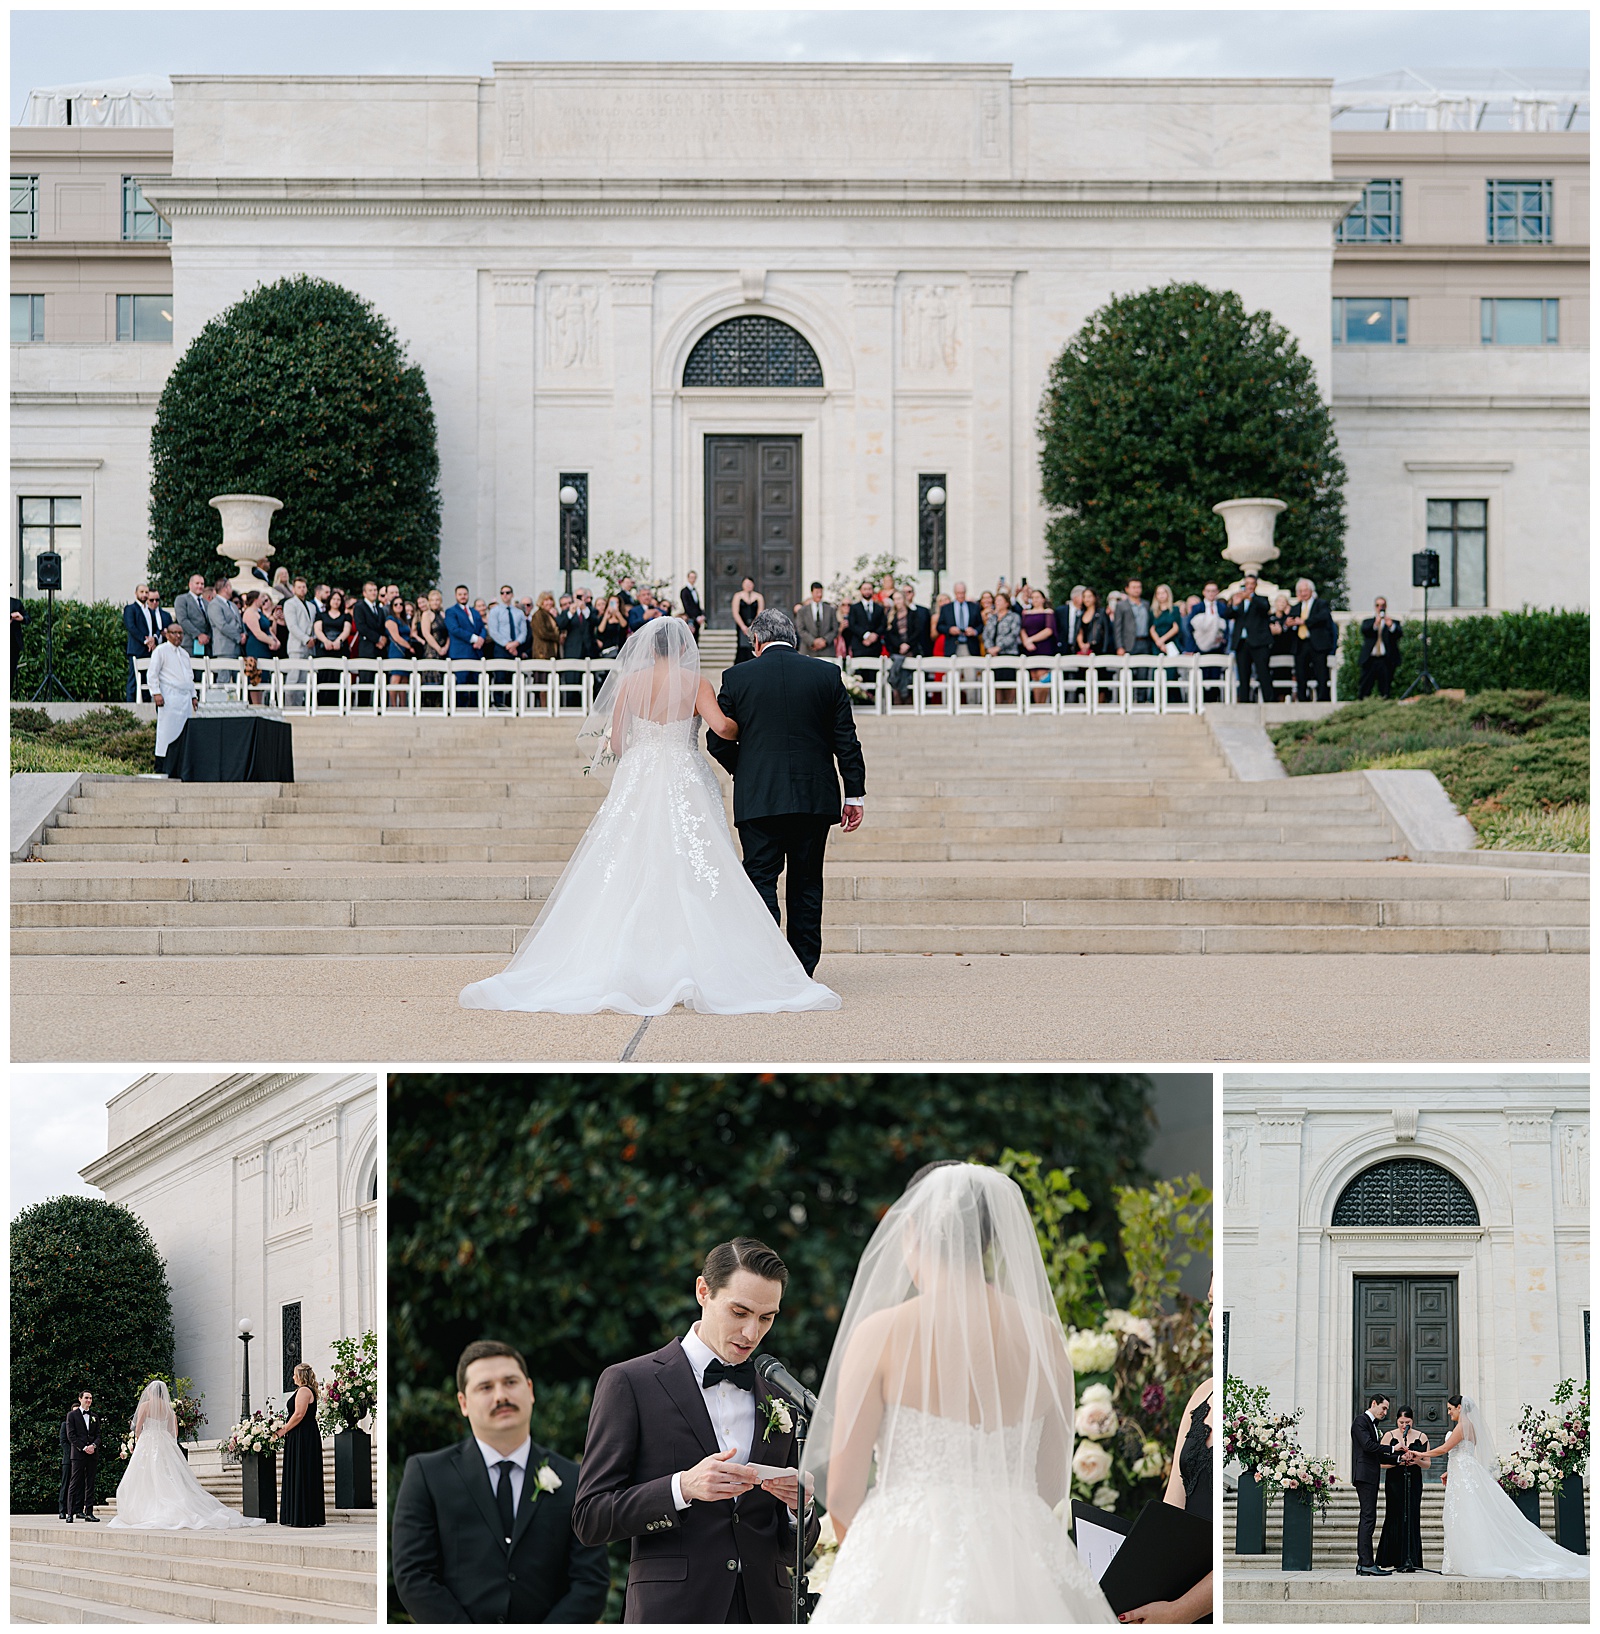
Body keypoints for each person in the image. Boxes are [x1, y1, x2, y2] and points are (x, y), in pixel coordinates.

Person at [461, 616, 842, 1013]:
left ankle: (630, 962)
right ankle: (716, 960)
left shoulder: (629, 682)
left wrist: (644, 751)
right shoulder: (697, 683)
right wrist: (747, 724)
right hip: (684, 774)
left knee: (633, 863)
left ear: (648, 647)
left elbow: (619, 742)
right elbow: (724, 729)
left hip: (640, 775)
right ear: (681, 648)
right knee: (694, 866)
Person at [804, 1163, 1116, 1623]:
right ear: (991, 1238)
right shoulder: (1045, 1338)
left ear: (911, 1228)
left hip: (904, 1557)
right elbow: (1050, 1484)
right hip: (1021, 1566)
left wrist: (877, 1569)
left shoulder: (882, 1333)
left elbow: (845, 1491)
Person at [573, 1239, 820, 1622]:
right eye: (740, 1312)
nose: (752, 1333)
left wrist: (797, 1511)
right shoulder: (629, 1382)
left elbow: (788, 1551)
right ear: (703, 1291)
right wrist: (682, 1488)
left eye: (767, 1318)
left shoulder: (778, 1396)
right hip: (672, 1614)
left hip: (765, 1614)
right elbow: (590, 1518)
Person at [393, 1340, 608, 1623]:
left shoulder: (575, 1478)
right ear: (463, 1403)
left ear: (530, 1390)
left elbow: (591, 1582)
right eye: (485, 1387)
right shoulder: (426, 1473)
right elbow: (414, 1575)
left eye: (510, 1382)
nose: (500, 1396)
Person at [705, 609, 867, 983]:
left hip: (759, 797)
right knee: (807, 882)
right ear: (793, 639)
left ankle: (765, 967)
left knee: (760, 878)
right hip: (814, 797)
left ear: (756, 642)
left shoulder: (737, 676)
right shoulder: (826, 673)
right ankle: (802, 971)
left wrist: (745, 771)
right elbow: (847, 741)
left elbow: (717, 740)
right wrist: (854, 795)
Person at [1405, 1395, 1588, 1580]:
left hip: (1464, 1475)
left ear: (1459, 1407)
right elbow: (1461, 1453)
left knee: (1468, 1514)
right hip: (1462, 1472)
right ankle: (1466, 1558)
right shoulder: (1469, 1426)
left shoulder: (1463, 1426)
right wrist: (1449, 1471)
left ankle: (1474, 1559)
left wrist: (1420, 1454)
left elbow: (1445, 1449)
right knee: (1466, 1514)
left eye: (1451, 1408)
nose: (1448, 1412)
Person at [1118, 1283, 1214, 1623]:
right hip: (1177, 1587)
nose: (1214, 1317)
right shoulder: (1203, 1393)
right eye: (1212, 1303)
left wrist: (1179, 1612)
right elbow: (1172, 1507)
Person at [109, 1380, 266, 1531]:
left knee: (147, 1476)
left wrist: (139, 1442)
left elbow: (138, 1429)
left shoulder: (145, 1406)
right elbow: (174, 1433)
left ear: (150, 1392)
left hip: (148, 1442)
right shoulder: (169, 1410)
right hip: (164, 1444)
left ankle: (146, 1509)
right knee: (167, 1475)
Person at [1352, 1393, 1408, 1574]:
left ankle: (1364, 1563)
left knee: (1369, 1518)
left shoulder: (1373, 1425)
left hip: (1371, 1476)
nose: (1385, 1412)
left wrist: (1398, 1458)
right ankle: (1366, 1563)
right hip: (1365, 1476)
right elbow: (1369, 1446)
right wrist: (1393, 1448)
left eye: (1386, 1410)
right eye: (1383, 1408)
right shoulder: (1361, 1421)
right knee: (1368, 1518)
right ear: (1373, 1403)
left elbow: (1376, 1454)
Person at [1375, 1406, 1430, 1571]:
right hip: (1395, 1481)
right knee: (1394, 1515)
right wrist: (1398, 1460)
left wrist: (1416, 1460)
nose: (1404, 1425)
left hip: (1413, 1480)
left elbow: (1427, 1464)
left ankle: (1410, 1559)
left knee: (1412, 1515)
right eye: (1401, 1422)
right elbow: (1381, 1462)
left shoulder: (1421, 1437)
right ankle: (1391, 1557)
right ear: (1396, 1420)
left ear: (1412, 1421)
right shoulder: (1388, 1436)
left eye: (1408, 1422)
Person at [274, 1363, 326, 1527]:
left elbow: (299, 1414)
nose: (292, 1377)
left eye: (295, 1374)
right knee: (300, 1471)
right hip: (299, 1435)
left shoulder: (304, 1391)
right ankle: (299, 1515)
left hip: (303, 1435)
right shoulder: (301, 1390)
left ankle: (304, 1516)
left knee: (302, 1471)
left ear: (301, 1376)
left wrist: (282, 1430)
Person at [148, 621, 198, 772]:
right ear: (167, 634)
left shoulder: (184, 654)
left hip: (184, 698)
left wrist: (193, 696)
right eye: (174, 633)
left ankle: (180, 766)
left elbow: (189, 677)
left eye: (180, 633)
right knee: (166, 733)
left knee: (183, 733)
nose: (178, 636)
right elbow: (152, 673)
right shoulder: (161, 651)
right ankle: (162, 767)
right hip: (169, 696)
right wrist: (156, 693)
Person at [1225, 575, 1276, 704]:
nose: (1249, 586)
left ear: (1255, 585)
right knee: (1243, 674)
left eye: (1252, 583)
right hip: (1242, 643)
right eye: (1247, 583)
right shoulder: (1239, 601)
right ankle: (1244, 701)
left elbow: (1265, 608)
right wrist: (1234, 605)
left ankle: (1269, 701)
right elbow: (1228, 614)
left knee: (1263, 672)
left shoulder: (1261, 599)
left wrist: (1250, 598)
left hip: (1259, 643)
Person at [1286, 577, 1338, 702]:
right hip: (1300, 644)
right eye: (1300, 591)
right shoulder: (1296, 607)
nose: (1303, 593)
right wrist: (1288, 623)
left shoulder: (1321, 604)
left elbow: (1323, 617)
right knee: (1301, 673)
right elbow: (1289, 621)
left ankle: (1323, 698)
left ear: (1311, 591)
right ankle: (1303, 699)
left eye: (1305, 590)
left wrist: (1304, 621)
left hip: (1317, 644)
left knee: (1321, 672)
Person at [444, 584, 487, 708]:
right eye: (460, 594)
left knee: (476, 684)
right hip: (460, 653)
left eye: (465, 594)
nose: (463, 597)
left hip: (476, 653)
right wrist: (474, 639)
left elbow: (482, 628)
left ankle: (476, 709)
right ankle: (460, 710)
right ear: (456, 596)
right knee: (461, 685)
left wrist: (481, 639)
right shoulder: (451, 611)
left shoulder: (474, 612)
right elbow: (454, 629)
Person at [487, 584, 528, 711]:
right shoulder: (495, 611)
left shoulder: (519, 613)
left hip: (515, 647)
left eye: (508, 592)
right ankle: (499, 703)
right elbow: (493, 631)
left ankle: (512, 703)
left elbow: (523, 632)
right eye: (502, 593)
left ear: (512, 594)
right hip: (501, 647)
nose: (505, 595)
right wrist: (507, 644)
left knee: (513, 676)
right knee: (500, 676)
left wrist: (515, 643)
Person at [64, 1390, 102, 1523]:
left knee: (90, 1483)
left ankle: (89, 1513)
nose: (89, 1400)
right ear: (80, 1399)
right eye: (86, 1398)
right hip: (79, 1454)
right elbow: (71, 1435)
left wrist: (93, 1446)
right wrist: (84, 1447)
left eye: (91, 1398)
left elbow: (98, 1435)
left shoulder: (95, 1417)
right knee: (74, 1483)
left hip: (92, 1454)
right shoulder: (72, 1415)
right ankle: (70, 1513)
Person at [123, 585, 165, 701]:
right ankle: (130, 705)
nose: (144, 594)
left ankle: (146, 702)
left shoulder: (150, 611)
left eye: (146, 592)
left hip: (150, 650)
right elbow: (131, 627)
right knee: (134, 679)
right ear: (136, 593)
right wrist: (146, 640)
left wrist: (154, 639)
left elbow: (157, 628)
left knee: (149, 678)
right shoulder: (130, 609)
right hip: (136, 649)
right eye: (141, 592)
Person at [313, 589, 352, 709]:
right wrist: (325, 641)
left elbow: (346, 630)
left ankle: (339, 704)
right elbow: (318, 629)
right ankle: (322, 704)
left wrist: (338, 641)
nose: (336, 602)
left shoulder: (346, 616)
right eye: (334, 599)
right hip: (324, 649)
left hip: (340, 649)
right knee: (324, 676)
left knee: (338, 676)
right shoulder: (321, 615)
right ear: (329, 601)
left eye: (338, 600)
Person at [1019, 587, 1058, 705]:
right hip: (1030, 648)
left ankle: (1042, 704)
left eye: (1037, 597)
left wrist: (1031, 639)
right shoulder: (1026, 613)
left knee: (1043, 677)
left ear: (1043, 599)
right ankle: (1035, 704)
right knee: (1034, 676)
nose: (1035, 600)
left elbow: (1049, 630)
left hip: (1043, 647)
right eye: (1033, 598)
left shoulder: (1048, 612)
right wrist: (1026, 641)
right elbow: (1022, 629)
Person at [241, 589, 280, 704]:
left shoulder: (259, 612)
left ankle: (261, 703)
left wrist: (276, 641)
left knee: (263, 675)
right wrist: (271, 642)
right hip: (255, 646)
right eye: (262, 597)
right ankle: (256, 704)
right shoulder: (249, 613)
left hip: (264, 647)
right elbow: (257, 632)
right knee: (255, 674)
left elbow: (267, 629)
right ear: (256, 599)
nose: (263, 600)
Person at [1359, 598, 1403, 698]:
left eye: (1383, 605)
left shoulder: (1392, 622)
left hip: (1385, 660)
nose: (1380, 608)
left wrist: (1391, 625)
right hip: (1370, 659)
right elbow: (1365, 632)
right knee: (1365, 686)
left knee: (1385, 687)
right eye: (1378, 605)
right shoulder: (1368, 622)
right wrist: (1376, 624)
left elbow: (1399, 634)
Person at [984, 591, 1022, 705]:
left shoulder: (1013, 617)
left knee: (1009, 681)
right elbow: (986, 634)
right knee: (996, 681)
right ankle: (998, 705)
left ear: (1007, 603)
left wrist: (998, 647)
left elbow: (1013, 634)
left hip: (1009, 653)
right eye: (996, 601)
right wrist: (990, 648)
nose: (997, 603)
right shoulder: (992, 618)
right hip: (994, 655)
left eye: (1000, 601)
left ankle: (1009, 705)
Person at [283, 577, 315, 708]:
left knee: (303, 679)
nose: (302, 589)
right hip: (296, 645)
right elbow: (292, 626)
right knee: (293, 677)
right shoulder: (290, 604)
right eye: (299, 587)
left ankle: (299, 706)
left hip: (310, 646)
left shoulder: (312, 606)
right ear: (293, 589)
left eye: (304, 587)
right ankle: (290, 706)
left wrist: (312, 639)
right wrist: (305, 639)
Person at [206, 578, 244, 688]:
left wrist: (243, 634)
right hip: (224, 648)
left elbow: (240, 622)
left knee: (238, 679)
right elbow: (222, 625)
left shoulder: (232, 605)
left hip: (237, 648)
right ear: (225, 588)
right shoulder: (214, 605)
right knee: (224, 679)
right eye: (230, 586)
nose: (231, 589)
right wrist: (238, 637)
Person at [384, 595, 416, 708]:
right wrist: (409, 647)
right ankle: (393, 705)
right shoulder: (390, 619)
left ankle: (403, 706)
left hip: (406, 652)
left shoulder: (404, 620)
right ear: (392, 607)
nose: (398, 606)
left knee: (404, 680)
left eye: (401, 604)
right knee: (396, 678)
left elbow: (411, 633)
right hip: (397, 650)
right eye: (395, 604)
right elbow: (396, 637)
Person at [846, 579, 886, 662]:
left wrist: (875, 635)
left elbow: (883, 624)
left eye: (869, 589)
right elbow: (852, 624)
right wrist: (866, 635)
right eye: (865, 589)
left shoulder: (879, 608)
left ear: (872, 591)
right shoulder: (854, 608)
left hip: (875, 647)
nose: (867, 591)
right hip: (859, 645)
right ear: (861, 591)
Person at [173, 574, 211, 659]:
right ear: (190, 585)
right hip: (189, 644)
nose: (200, 586)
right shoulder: (182, 599)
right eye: (197, 583)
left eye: (202, 584)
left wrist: (207, 636)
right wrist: (198, 635)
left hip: (206, 645)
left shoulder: (206, 603)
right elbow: (182, 620)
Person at [798, 581, 840, 656]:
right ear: (812, 592)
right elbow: (801, 629)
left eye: (821, 592)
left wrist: (825, 641)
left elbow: (835, 629)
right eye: (817, 592)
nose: (819, 595)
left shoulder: (830, 610)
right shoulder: (803, 611)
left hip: (827, 650)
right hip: (808, 650)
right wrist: (813, 642)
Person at [731, 575, 763, 665]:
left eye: (750, 583)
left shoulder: (759, 597)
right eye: (746, 584)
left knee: (753, 645)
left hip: (754, 626)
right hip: (742, 626)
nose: (748, 585)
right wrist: (743, 626)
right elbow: (735, 612)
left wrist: (753, 625)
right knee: (742, 646)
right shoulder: (738, 596)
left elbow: (760, 612)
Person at [680, 569, 706, 641]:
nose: (693, 579)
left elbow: (697, 605)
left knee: (696, 638)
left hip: (696, 619)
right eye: (691, 577)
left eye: (694, 577)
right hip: (691, 618)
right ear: (688, 578)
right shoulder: (684, 591)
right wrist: (696, 617)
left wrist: (701, 615)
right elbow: (687, 606)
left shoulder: (695, 591)